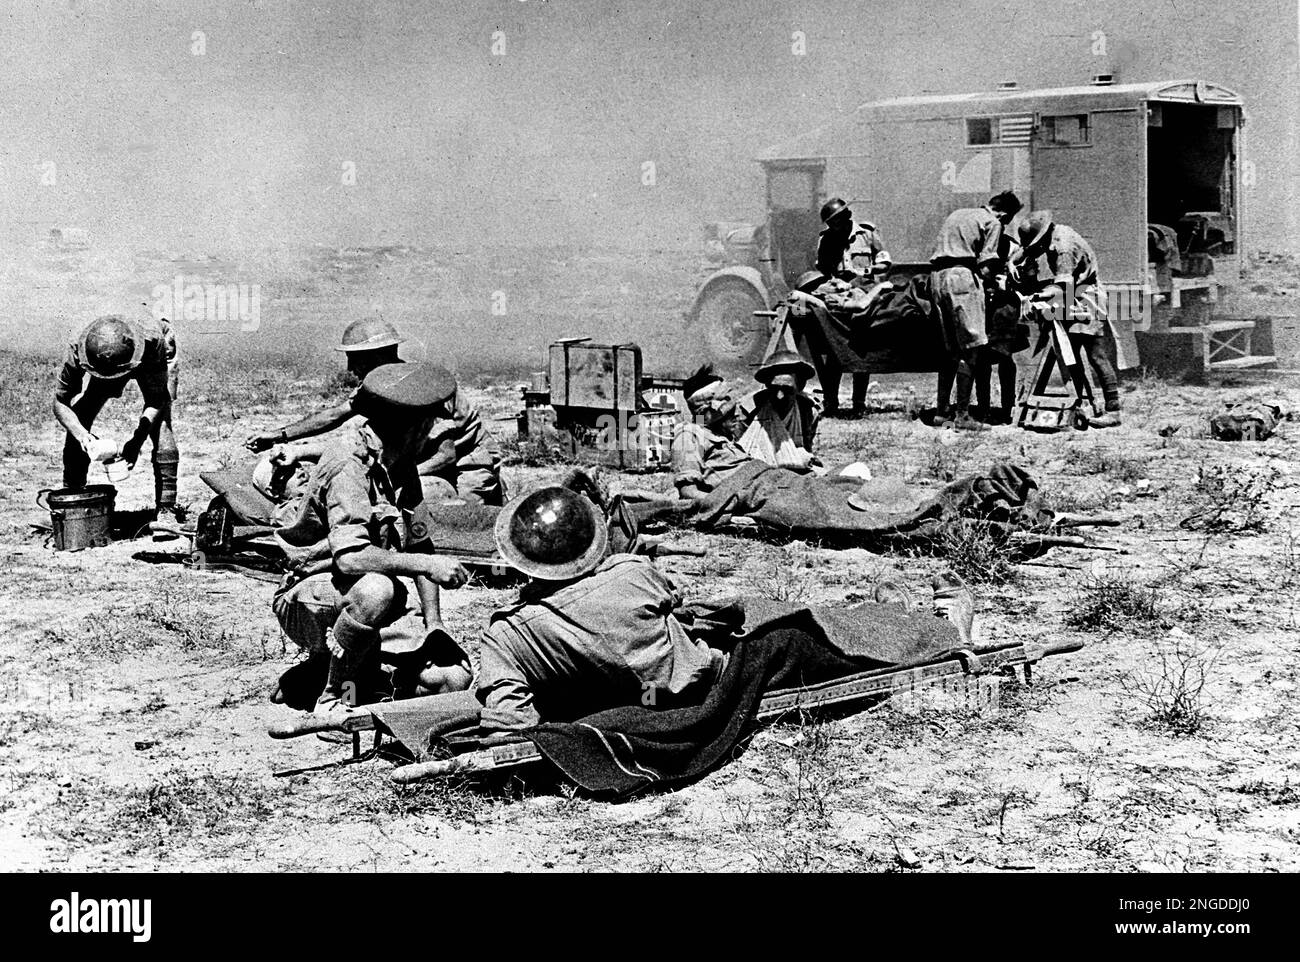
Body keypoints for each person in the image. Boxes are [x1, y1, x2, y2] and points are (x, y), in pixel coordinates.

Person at [270, 362, 472, 720]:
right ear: (414, 425)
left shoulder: (400, 460)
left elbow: (420, 543)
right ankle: (335, 697)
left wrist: (434, 624)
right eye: (430, 423)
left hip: (370, 601)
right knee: (377, 590)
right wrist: (427, 566)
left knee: (451, 680)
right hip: (312, 596)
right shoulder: (348, 462)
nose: (432, 432)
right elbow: (349, 559)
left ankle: (326, 669)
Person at [474, 485, 730, 730]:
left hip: (601, 716)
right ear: (591, 541)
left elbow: (510, 719)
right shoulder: (634, 571)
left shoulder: (506, 633)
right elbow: (675, 600)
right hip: (693, 691)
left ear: (521, 558)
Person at [245, 317, 503, 504]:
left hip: (467, 464)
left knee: (459, 529)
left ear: (377, 356)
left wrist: (388, 480)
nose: (349, 368)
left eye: (355, 359)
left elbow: (446, 456)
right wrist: (280, 436)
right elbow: (335, 415)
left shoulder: (424, 388)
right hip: (417, 460)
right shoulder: (377, 387)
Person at [53, 315, 180, 529]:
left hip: (150, 350)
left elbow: (157, 399)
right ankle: (71, 497)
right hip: (111, 358)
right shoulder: (78, 346)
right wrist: (82, 435)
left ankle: (166, 509)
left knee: (162, 423)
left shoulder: (153, 340)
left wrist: (137, 440)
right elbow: (60, 402)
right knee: (82, 414)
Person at [1014, 211, 1121, 428]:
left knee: (1095, 354)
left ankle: (1114, 409)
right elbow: (1025, 252)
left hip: (1086, 297)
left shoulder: (1062, 247)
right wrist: (1012, 263)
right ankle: (1079, 403)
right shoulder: (1054, 235)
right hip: (1074, 294)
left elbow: (1064, 286)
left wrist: (1036, 295)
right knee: (1069, 353)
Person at [929, 190, 1023, 429]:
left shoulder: (958, 214)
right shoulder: (992, 222)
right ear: (1003, 213)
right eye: (1007, 219)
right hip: (962, 278)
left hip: (937, 279)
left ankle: (941, 413)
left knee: (949, 350)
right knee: (971, 349)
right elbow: (986, 266)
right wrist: (997, 282)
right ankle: (962, 416)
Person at [814, 198, 893, 417]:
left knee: (861, 348)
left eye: (836, 222)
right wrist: (834, 282)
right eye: (830, 224)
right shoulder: (827, 239)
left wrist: (864, 273)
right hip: (840, 297)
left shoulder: (867, 233)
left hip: (865, 295)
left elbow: (886, 262)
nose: (833, 228)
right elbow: (822, 270)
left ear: (846, 217)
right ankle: (831, 402)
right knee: (833, 349)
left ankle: (859, 402)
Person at [672, 364, 761, 501]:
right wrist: (729, 503)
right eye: (729, 413)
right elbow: (688, 492)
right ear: (710, 414)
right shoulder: (690, 435)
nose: (737, 415)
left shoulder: (723, 436)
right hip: (752, 494)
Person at [734, 351, 823, 470]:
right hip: (753, 470)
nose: (779, 396)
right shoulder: (749, 408)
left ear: (799, 387)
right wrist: (700, 418)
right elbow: (732, 449)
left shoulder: (807, 410)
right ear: (767, 385)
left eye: (787, 390)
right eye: (774, 388)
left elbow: (806, 448)